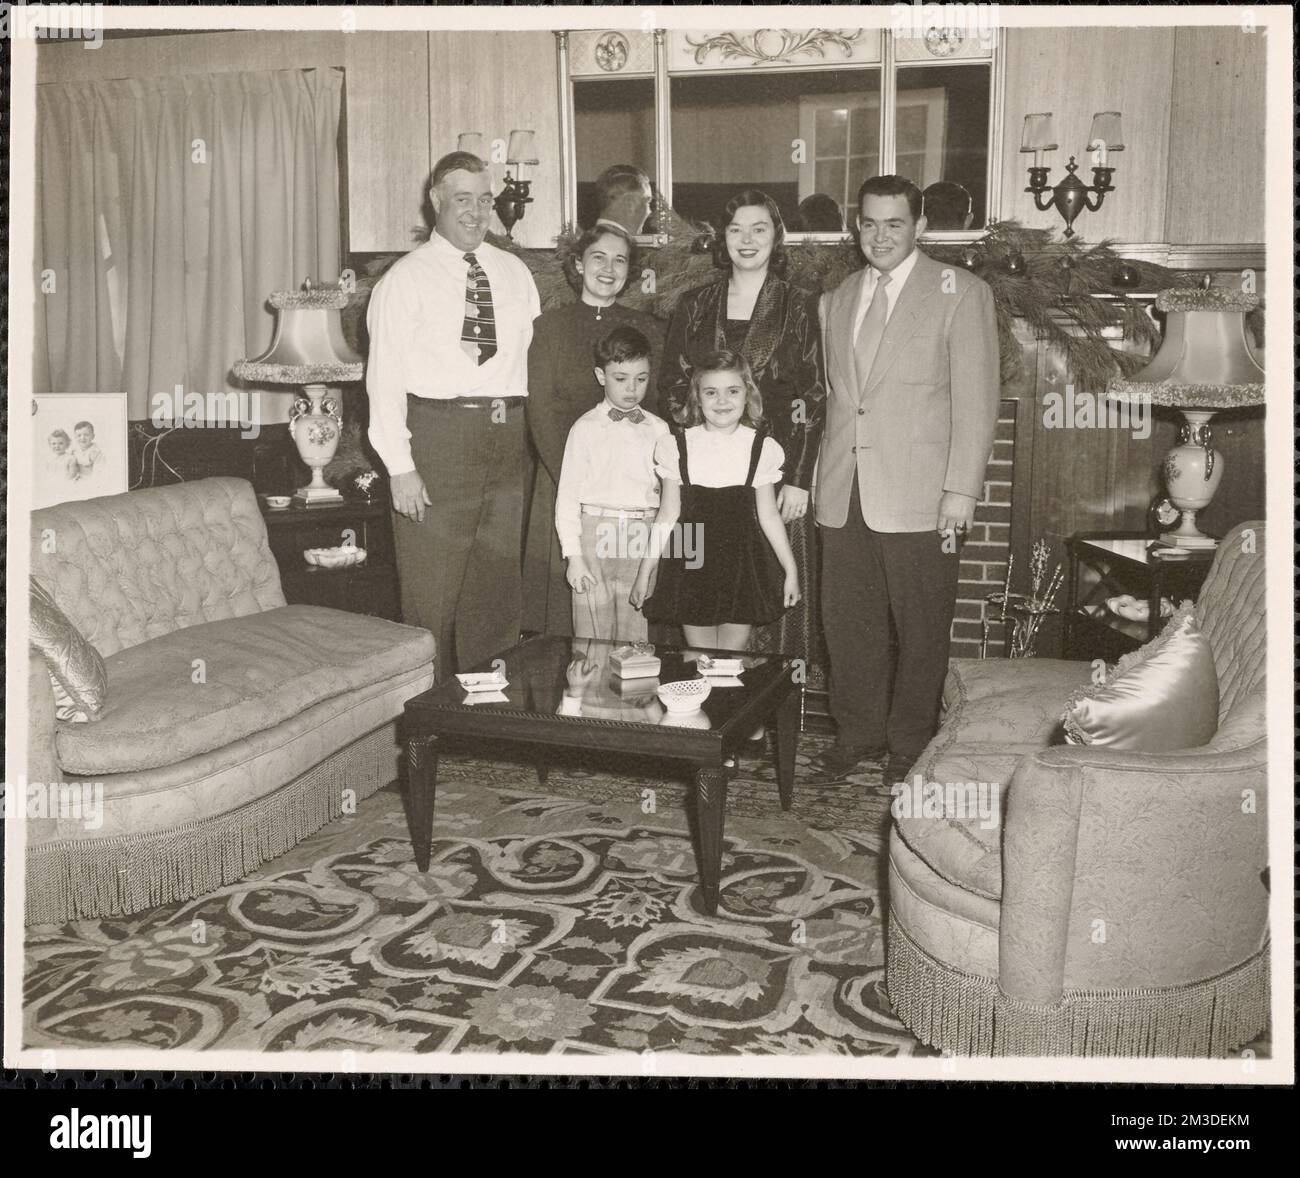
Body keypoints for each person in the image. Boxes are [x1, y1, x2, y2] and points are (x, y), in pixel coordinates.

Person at [814, 175, 999, 786]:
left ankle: (909, 742)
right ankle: (858, 732)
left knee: (920, 628)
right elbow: (842, 401)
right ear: (856, 227)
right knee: (849, 627)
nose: (879, 235)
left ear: (920, 227)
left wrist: (961, 491)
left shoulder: (960, 292)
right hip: (846, 491)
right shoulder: (838, 296)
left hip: (924, 495)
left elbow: (977, 399)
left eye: (894, 223)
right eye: (868, 223)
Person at [366, 150, 540, 682]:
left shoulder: (514, 273)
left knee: (495, 595)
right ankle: (428, 730)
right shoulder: (405, 279)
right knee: (431, 597)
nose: (476, 211)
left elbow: (536, 363)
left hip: (508, 442)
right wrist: (399, 467)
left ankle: (487, 718)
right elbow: (385, 379)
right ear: (436, 200)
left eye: (485, 199)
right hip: (439, 442)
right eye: (463, 198)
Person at [657, 189, 825, 661]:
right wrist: (704, 442)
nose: (747, 240)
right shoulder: (694, 303)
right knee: (699, 605)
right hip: (706, 479)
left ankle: (756, 722)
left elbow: (813, 395)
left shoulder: (800, 304)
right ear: (722, 239)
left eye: (759, 228)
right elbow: (672, 383)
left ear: (777, 236)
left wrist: (798, 478)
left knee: (758, 605)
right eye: (736, 230)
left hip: (773, 476)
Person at [523, 223, 664, 634]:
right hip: (566, 483)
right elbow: (542, 411)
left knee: (631, 613)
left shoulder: (648, 328)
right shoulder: (549, 328)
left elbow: (655, 410)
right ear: (578, 265)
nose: (608, 268)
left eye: (620, 259)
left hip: (631, 487)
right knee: (575, 610)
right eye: (598, 257)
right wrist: (578, 479)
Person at [635, 349, 799, 657]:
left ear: (747, 394)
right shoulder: (677, 446)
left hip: (741, 567)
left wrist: (790, 570)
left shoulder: (761, 447)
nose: (722, 401)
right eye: (711, 392)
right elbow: (668, 513)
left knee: (731, 661)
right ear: (697, 396)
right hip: (691, 564)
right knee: (699, 658)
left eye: (732, 391)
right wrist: (646, 571)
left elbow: (769, 516)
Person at [554, 326, 669, 643]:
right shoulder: (585, 427)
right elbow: (566, 499)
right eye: (621, 378)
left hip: (641, 533)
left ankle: (637, 693)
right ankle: (590, 692)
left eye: (641, 378)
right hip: (595, 532)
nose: (632, 388)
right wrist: (573, 557)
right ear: (601, 376)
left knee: (637, 634)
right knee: (592, 635)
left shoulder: (659, 429)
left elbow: (670, 498)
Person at [592, 164, 653, 236]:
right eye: (647, 202)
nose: (650, 213)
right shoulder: (617, 243)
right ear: (630, 204)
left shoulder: (591, 239)